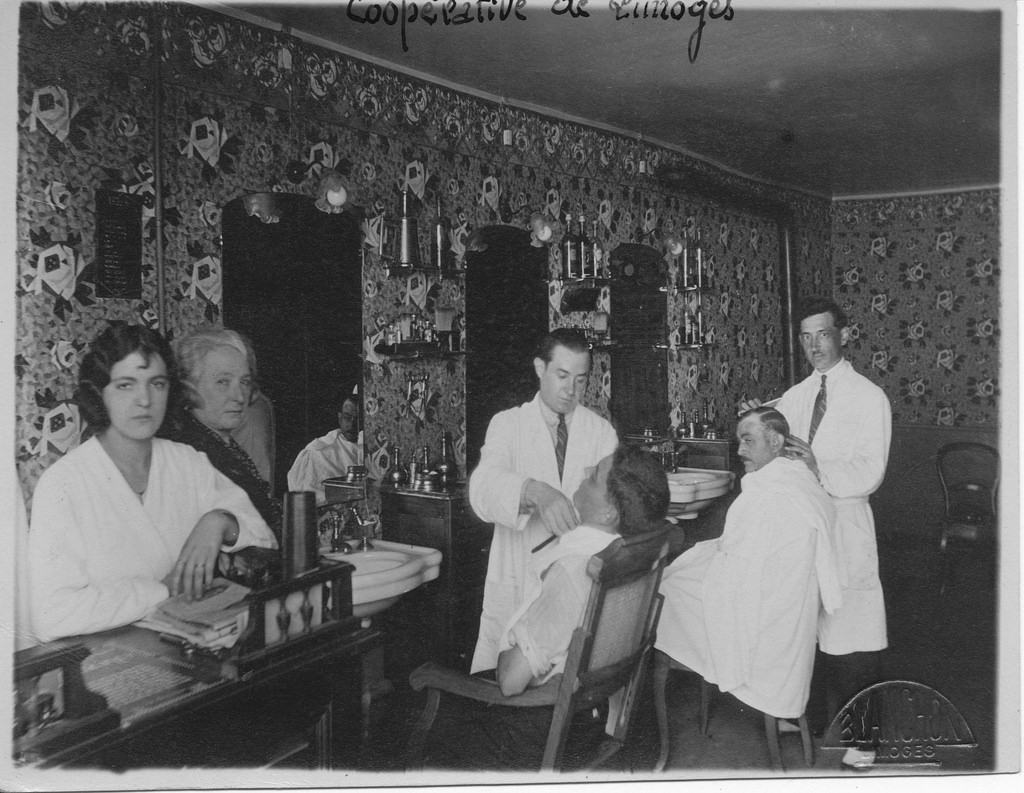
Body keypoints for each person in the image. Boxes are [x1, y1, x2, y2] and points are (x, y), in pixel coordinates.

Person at [28, 323, 277, 641]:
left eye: (156, 384)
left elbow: (264, 537)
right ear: (98, 393)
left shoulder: (186, 462)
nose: (144, 400)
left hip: (189, 653)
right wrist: (162, 591)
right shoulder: (64, 484)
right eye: (126, 385)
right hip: (102, 670)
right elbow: (53, 615)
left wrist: (220, 520)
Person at [426, 445, 669, 769]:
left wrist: (514, 641)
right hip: (587, 723)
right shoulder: (625, 558)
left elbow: (511, 681)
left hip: (539, 736)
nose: (584, 475)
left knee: (428, 709)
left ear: (609, 514)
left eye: (594, 477)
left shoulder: (575, 570)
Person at [740, 297, 891, 769]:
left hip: (846, 526)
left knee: (855, 635)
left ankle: (864, 739)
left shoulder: (870, 397)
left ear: (843, 334)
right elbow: (773, 431)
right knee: (808, 625)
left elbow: (871, 470)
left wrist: (816, 466)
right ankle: (806, 713)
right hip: (805, 528)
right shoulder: (798, 395)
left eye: (822, 334)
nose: (814, 346)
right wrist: (755, 416)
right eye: (805, 337)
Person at [656, 407, 841, 721]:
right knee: (683, 574)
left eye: (748, 441)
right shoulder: (804, 483)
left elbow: (736, 572)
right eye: (739, 441)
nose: (740, 450)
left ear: (775, 441)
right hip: (791, 612)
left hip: (766, 620)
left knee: (664, 590)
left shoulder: (767, 494)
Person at [468, 328, 618, 673]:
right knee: (509, 675)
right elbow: (482, 486)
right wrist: (535, 491)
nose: (571, 390)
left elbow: (613, 505)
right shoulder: (508, 425)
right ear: (540, 368)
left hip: (572, 587)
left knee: (566, 677)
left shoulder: (601, 432)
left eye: (581, 380)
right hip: (518, 577)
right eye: (562, 376)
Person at [163, 328, 282, 538]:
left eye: (244, 382)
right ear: (189, 388)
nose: (238, 396)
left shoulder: (224, 443)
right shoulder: (188, 453)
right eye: (222, 382)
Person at [286, 387, 363, 505]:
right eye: (347, 417)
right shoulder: (318, 451)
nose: (352, 424)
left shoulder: (371, 448)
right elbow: (306, 497)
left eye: (357, 419)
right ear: (339, 417)